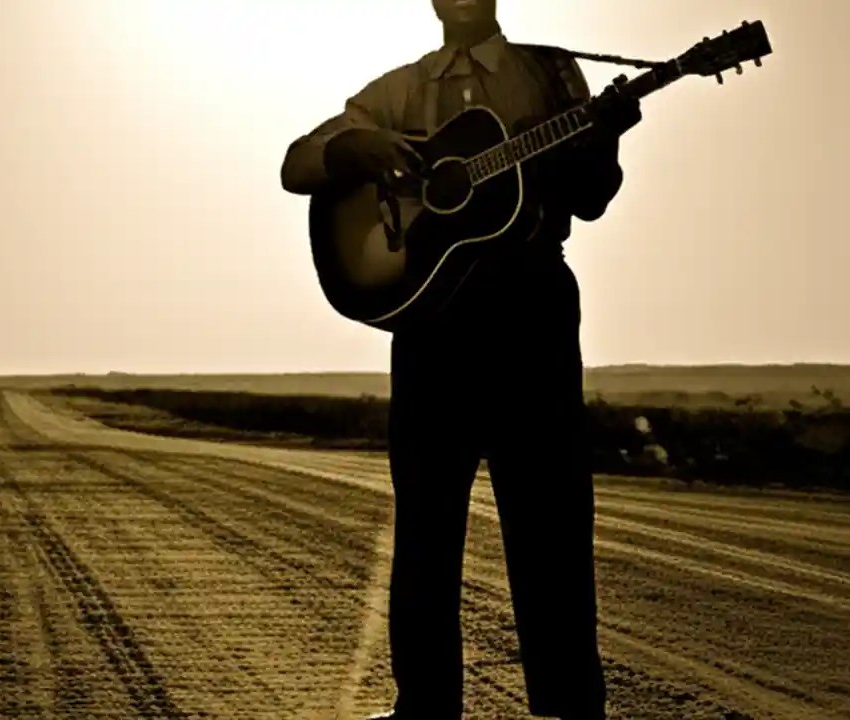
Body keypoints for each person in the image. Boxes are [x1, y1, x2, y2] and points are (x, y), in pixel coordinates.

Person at [280, 1, 640, 718]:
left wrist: (603, 139)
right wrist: (359, 148)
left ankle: (572, 706)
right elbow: (297, 165)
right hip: (433, 325)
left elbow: (591, 198)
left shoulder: (550, 72)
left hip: (531, 311)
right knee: (425, 524)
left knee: (551, 520)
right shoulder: (400, 90)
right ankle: (425, 708)